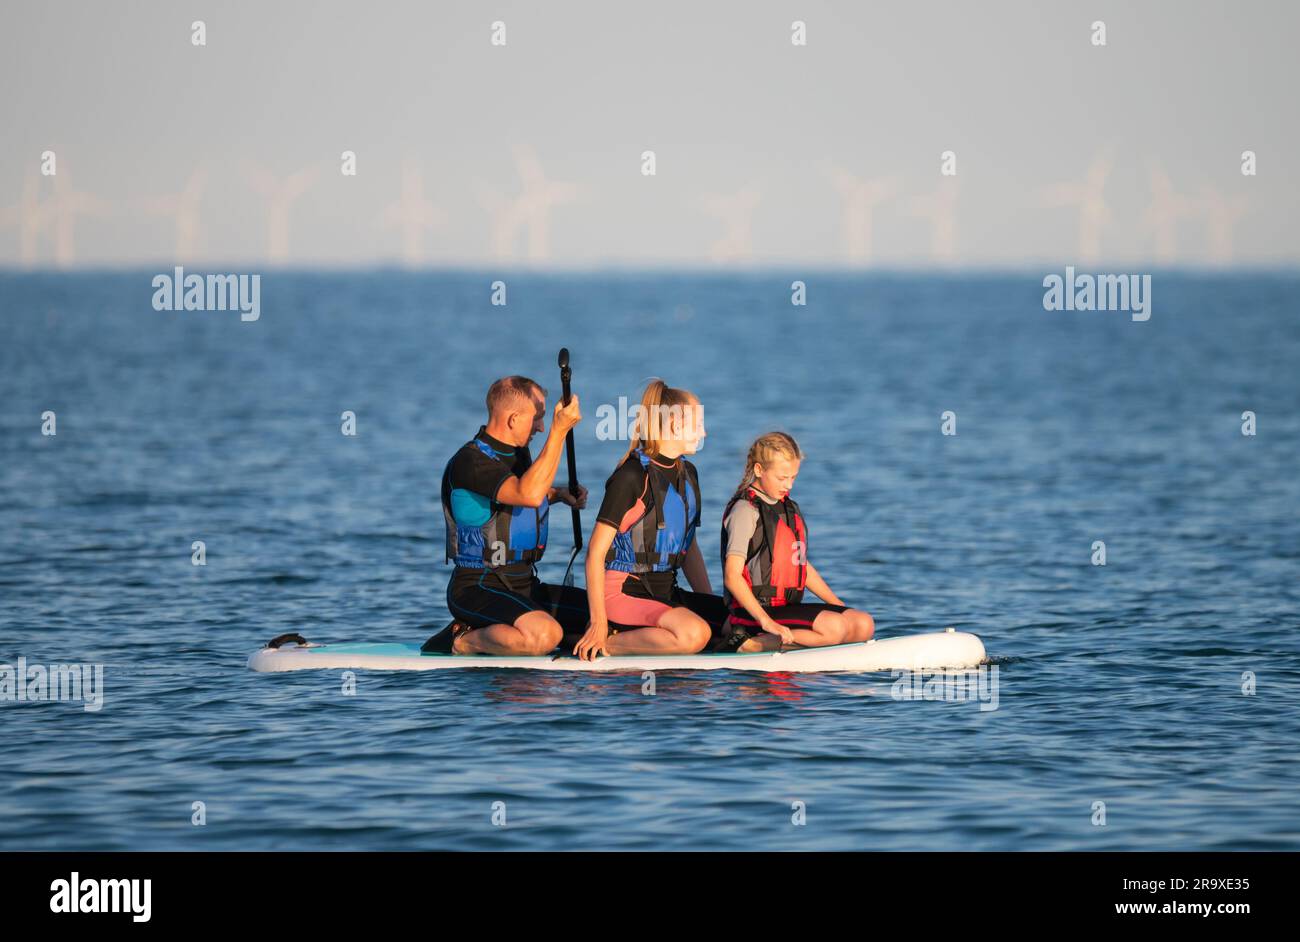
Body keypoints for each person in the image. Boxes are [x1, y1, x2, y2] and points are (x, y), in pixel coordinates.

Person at [428, 375, 589, 655]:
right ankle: (461, 639)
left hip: (525, 584)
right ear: (513, 419)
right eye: (537, 418)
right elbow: (526, 494)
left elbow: (518, 501)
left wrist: (559, 494)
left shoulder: (518, 454)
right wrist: (559, 431)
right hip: (478, 586)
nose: (540, 426)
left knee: (604, 615)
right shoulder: (471, 462)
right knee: (545, 634)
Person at [573, 380, 727, 660]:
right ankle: (608, 642)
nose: (703, 432)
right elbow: (594, 554)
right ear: (674, 424)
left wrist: (711, 607)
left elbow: (688, 547)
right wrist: (598, 622)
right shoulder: (631, 477)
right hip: (622, 594)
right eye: (698, 423)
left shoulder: (688, 474)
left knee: (736, 622)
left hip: (666, 591)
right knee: (694, 634)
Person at [716, 431, 875, 652]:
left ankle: (795, 644)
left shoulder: (787, 508)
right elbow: (733, 577)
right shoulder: (745, 510)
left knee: (862, 624)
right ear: (759, 470)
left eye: (793, 477)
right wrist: (766, 622)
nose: (788, 485)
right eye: (782, 478)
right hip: (752, 613)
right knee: (835, 628)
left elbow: (801, 567)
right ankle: (751, 644)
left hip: (786, 607)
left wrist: (836, 604)